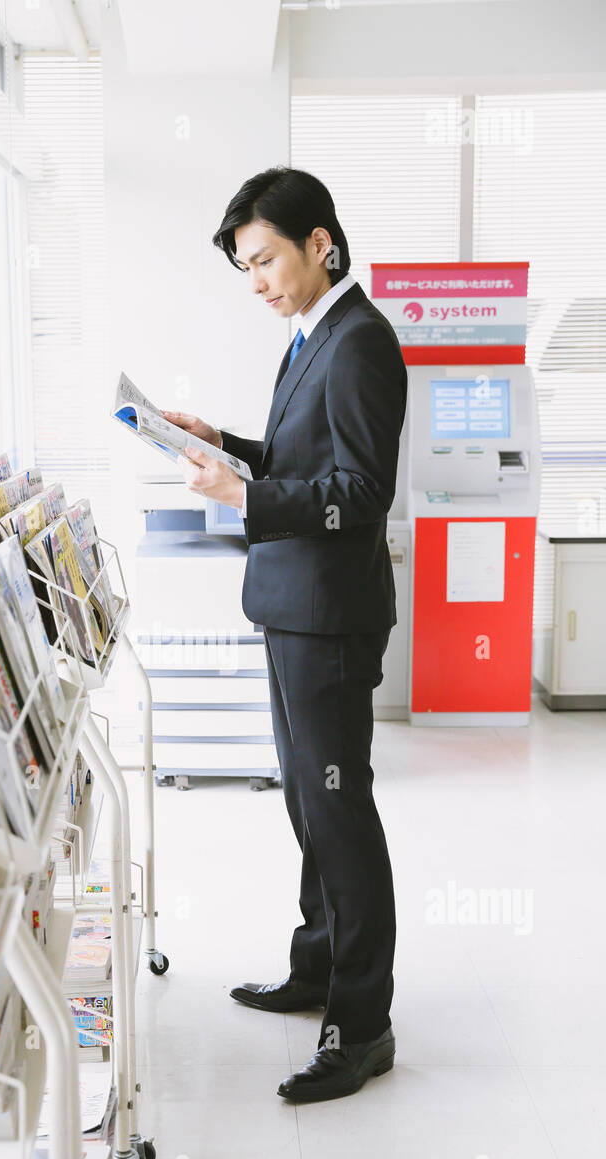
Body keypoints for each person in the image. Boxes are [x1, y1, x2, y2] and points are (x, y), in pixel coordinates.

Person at [163, 166, 407, 1104]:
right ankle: (316, 968)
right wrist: (220, 445)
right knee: (309, 807)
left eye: (265, 259)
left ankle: (364, 1023)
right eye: (245, 269)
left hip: (330, 620)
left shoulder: (359, 343)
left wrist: (243, 497)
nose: (257, 281)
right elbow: (302, 460)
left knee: (340, 815)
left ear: (319, 242)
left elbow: (358, 494)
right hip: (291, 608)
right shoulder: (313, 334)